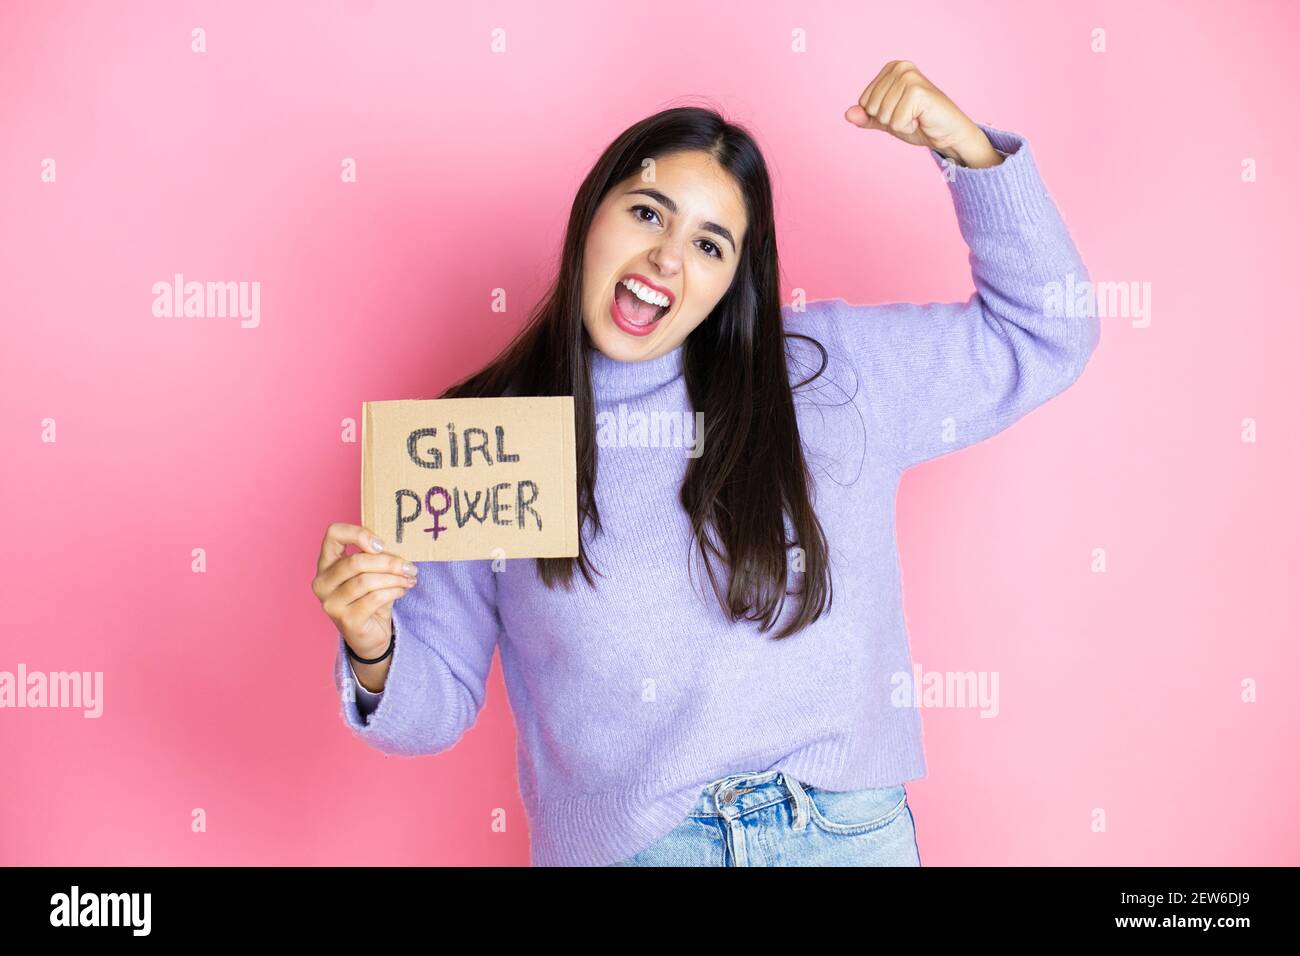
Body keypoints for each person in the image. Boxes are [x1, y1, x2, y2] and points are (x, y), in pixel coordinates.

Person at [311, 61, 1101, 867]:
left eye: (709, 243)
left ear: (733, 281)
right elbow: (431, 710)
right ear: (592, 216)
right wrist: (373, 646)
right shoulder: (488, 440)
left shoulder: (828, 375)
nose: (665, 259)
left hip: (843, 839)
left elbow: (1047, 333)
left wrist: (967, 152)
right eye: (648, 212)